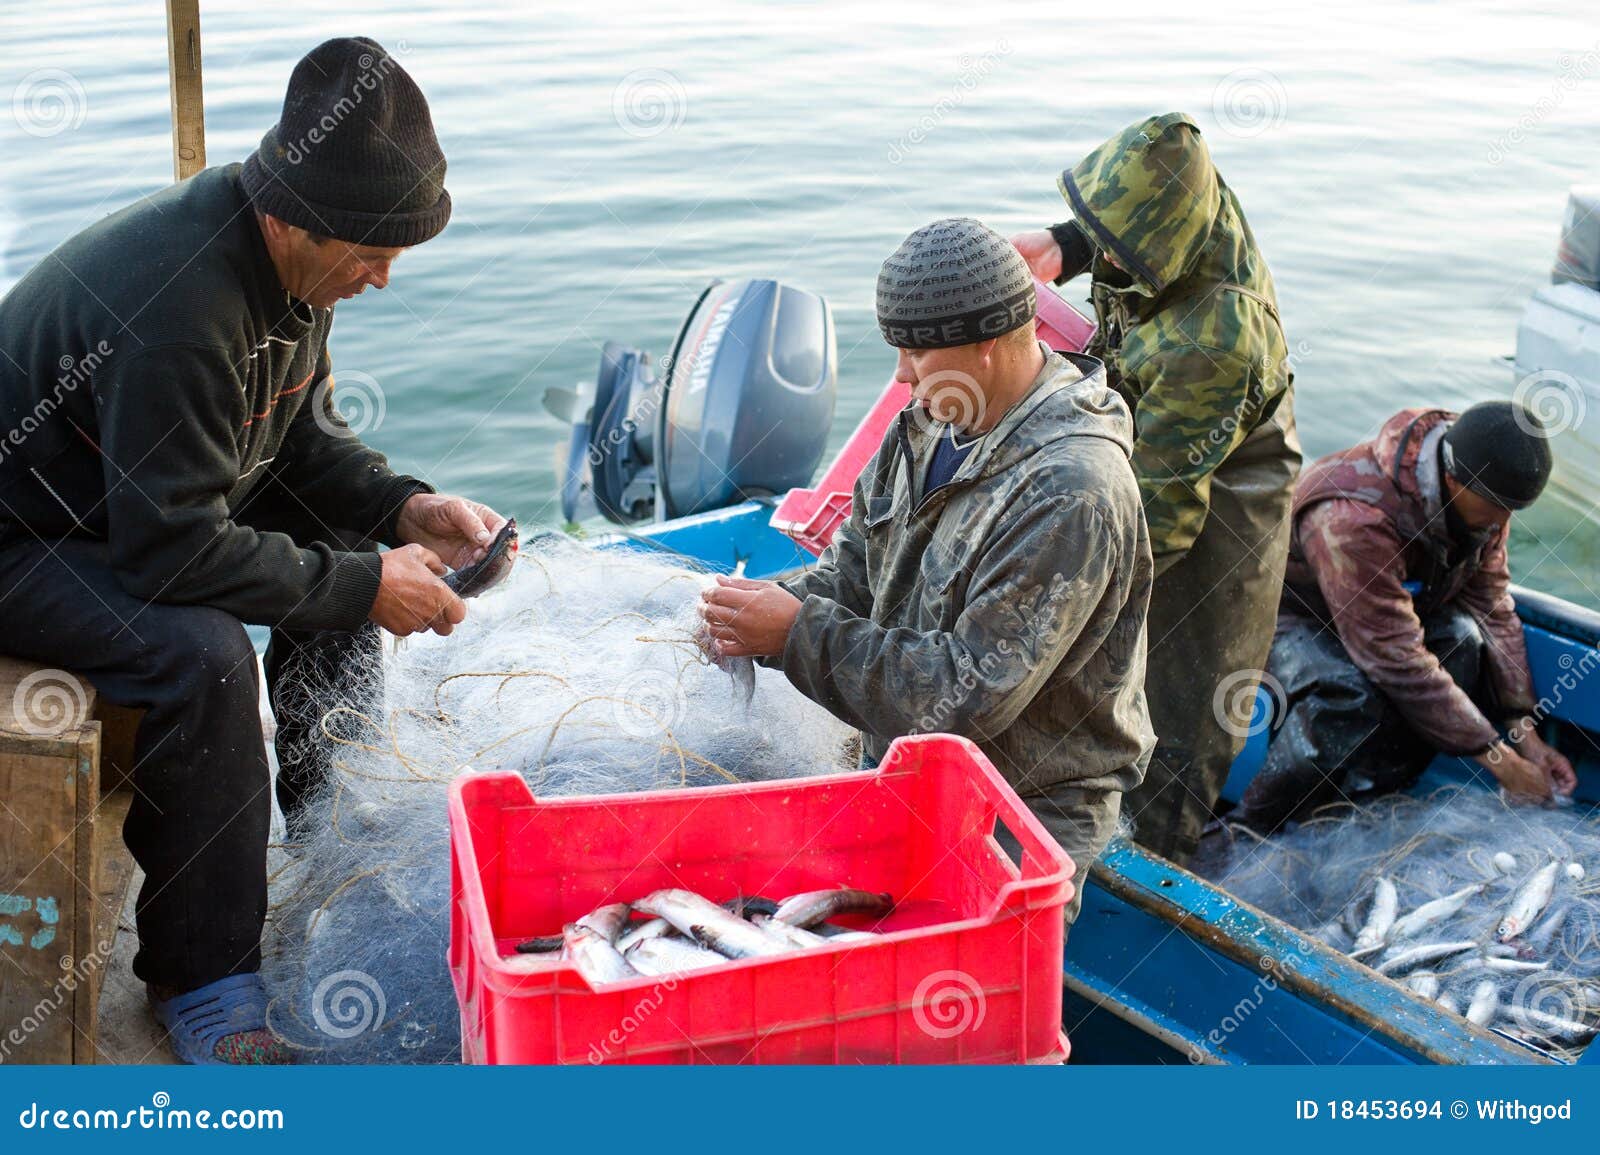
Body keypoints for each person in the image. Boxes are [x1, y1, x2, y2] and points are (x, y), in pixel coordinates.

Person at [0, 37, 506, 1064]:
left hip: (117, 512)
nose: (384, 276)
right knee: (201, 653)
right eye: (370, 250)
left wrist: (404, 509)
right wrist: (366, 588)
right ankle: (202, 974)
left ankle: (324, 828)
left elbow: (297, 441)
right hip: (23, 540)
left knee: (343, 536)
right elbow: (171, 560)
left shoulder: (294, 275)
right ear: (290, 216)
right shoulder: (180, 306)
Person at [699, 217, 1154, 928]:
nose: (902, 376)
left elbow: (965, 697)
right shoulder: (929, 422)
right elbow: (852, 569)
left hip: (1022, 804)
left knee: (966, 1006)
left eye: (916, 352)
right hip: (902, 760)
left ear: (990, 343)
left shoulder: (1072, 490)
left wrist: (795, 636)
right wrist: (762, 609)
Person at [1010, 112, 1302, 865]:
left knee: (1178, 714)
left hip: (1220, 522)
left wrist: (1049, 608)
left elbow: (1158, 521)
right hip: (1164, 435)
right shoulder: (1187, 185)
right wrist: (1066, 243)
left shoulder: (1216, 335)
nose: (1102, 251)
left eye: (1110, 242)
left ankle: (1157, 875)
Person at [1225, 402, 1576, 836]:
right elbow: (1393, 656)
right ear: (1452, 478)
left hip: (1374, 614)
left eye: (1513, 510)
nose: (1503, 522)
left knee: (1464, 640)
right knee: (1347, 691)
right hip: (1282, 613)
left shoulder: (1486, 500)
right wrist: (1500, 761)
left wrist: (1527, 735)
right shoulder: (1354, 517)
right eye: (1496, 506)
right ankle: (1255, 828)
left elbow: (1494, 612)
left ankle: (1372, 798)